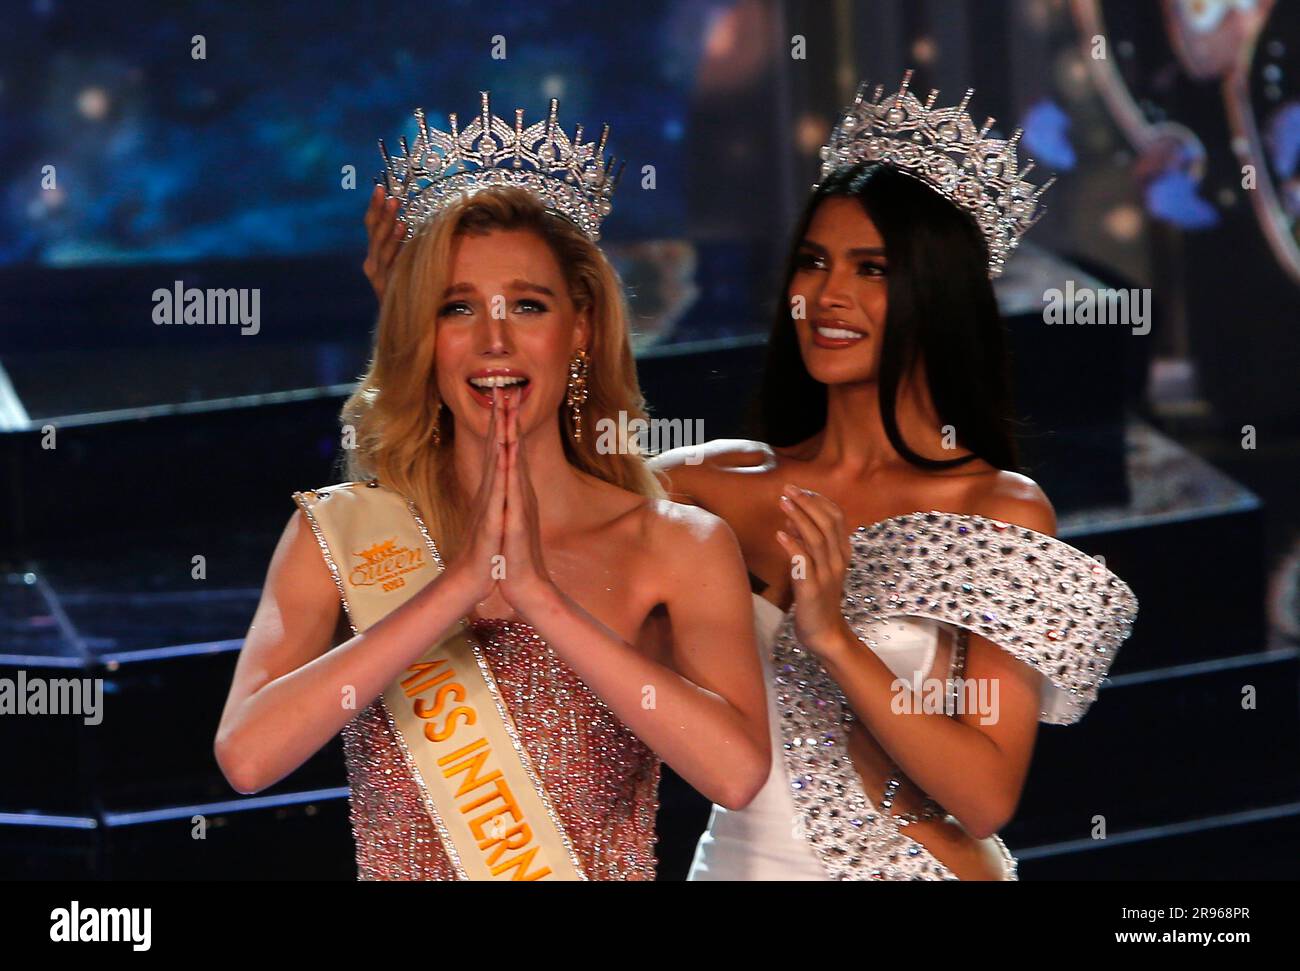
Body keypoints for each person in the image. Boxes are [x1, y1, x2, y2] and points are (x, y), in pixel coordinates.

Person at [214, 96, 770, 881]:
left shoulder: (674, 542)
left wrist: (540, 598)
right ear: (423, 336)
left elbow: (736, 773)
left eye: (529, 305)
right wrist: (456, 590)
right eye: (457, 307)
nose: (495, 340)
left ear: (580, 328)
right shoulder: (339, 532)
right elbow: (246, 755)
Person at [654, 75, 1139, 880]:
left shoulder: (996, 508)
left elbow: (984, 795)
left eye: (871, 268)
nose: (828, 294)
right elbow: (541, 505)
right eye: (813, 262)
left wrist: (834, 639)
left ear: (935, 295)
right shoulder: (706, 482)